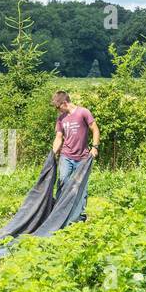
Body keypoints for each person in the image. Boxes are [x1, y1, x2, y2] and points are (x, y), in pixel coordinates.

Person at [51, 90, 99, 222]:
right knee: (63, 181)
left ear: (65, 103)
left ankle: (79, 216)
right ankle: (59, 212)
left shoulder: (83, 112)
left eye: (58, 107)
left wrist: (94, 147)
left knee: (81, 186)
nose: (57, 110)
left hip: (82, 158)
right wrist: (53, 152)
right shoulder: (61, 118)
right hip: (66, 156)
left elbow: (95, 129)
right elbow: (59, 137)